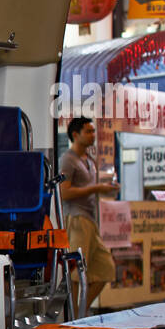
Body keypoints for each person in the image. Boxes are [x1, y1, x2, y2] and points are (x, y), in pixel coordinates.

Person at [59, 117, 118, 312]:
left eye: (94, 131)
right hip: (76, 219)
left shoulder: (89, 160)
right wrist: (96, 188)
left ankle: (80, 310)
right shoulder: (68, 159)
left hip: (90, 219)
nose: (93, 135)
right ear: (75, 135)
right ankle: (75, 315)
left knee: (106, 269)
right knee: (76, 272)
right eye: (88, 131)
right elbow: (64, 192)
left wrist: (104, 188)